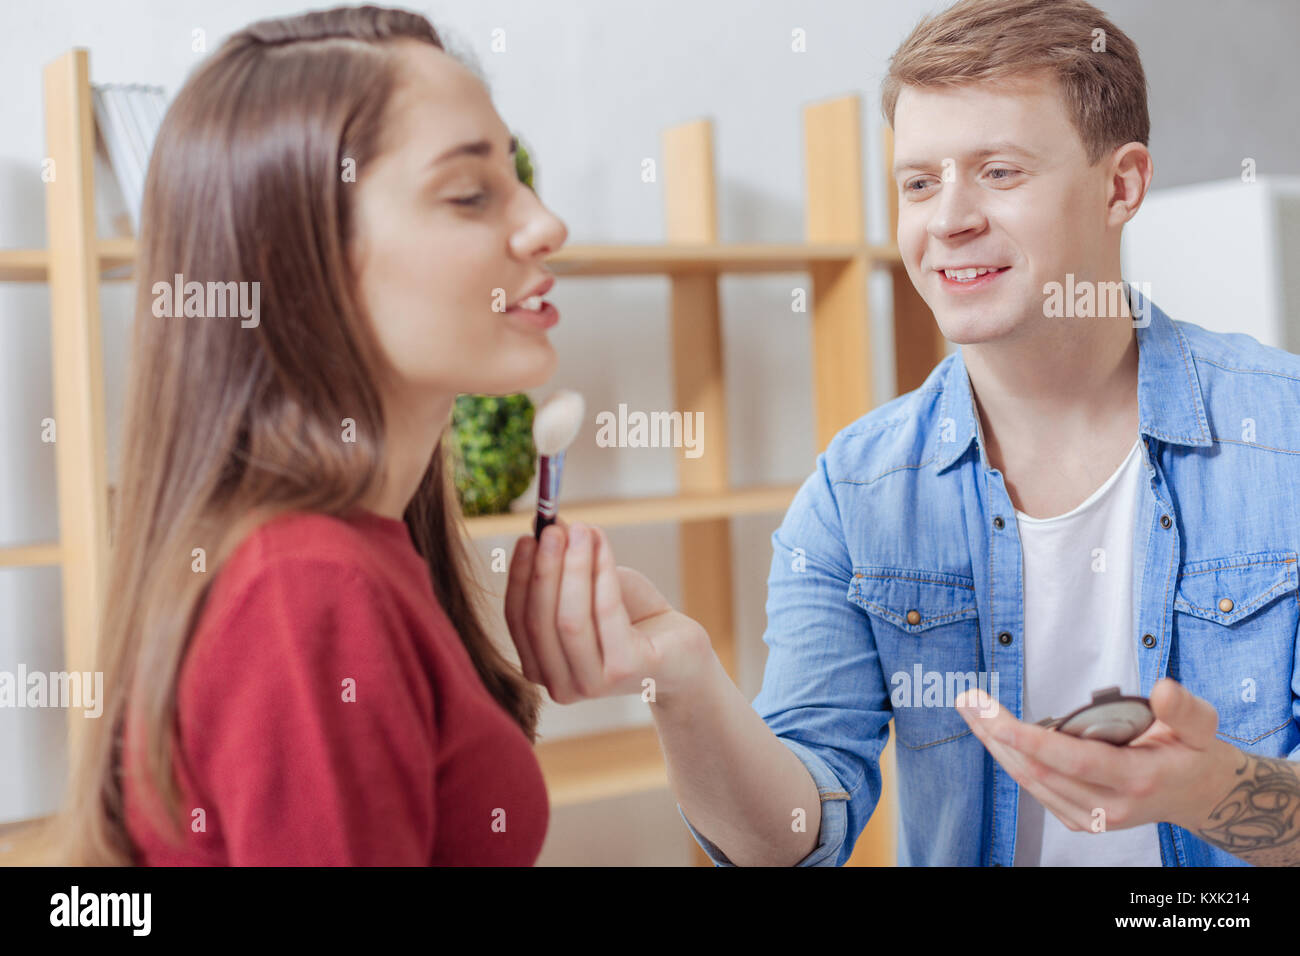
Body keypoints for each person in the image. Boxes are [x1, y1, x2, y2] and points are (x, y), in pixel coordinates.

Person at [508, 0, 1300, 866]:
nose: (946, 220)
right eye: (918, 183)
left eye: (998, 172)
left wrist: (1211, 790)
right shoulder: (855, 494)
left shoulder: (1284, 441)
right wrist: (683, 678)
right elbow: (793, 841)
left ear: (1122, 185)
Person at [30, 6, 568, 865]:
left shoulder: (355, 558)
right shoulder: (306, 592)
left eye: (519, 174)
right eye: (471, 194)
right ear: (296, 261)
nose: (544, 224)